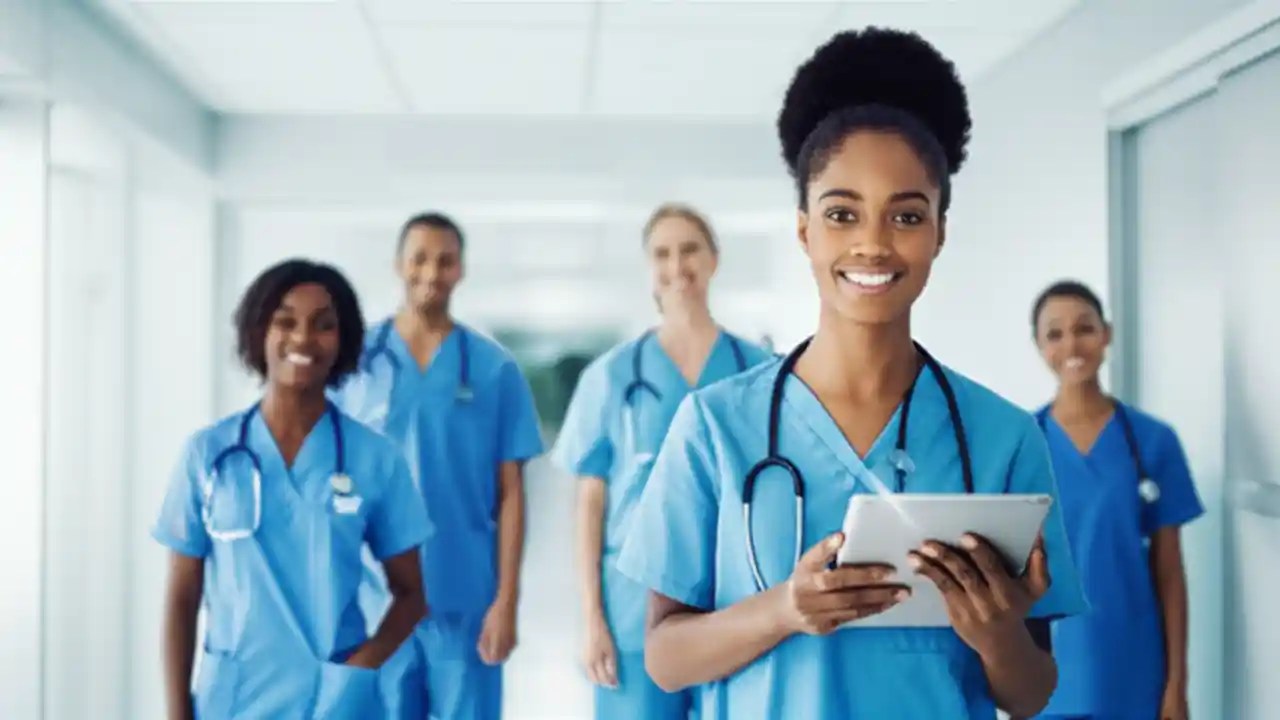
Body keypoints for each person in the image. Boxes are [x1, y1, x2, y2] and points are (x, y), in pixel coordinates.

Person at [614, 27, 1089, 719]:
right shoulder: (716, 425)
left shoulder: (1004, 438)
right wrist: (785, 608)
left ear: (939, 233)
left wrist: (995, 637)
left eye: (906, 215)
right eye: (842, 213)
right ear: (805, 230)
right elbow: (664, 659)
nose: (872, 242)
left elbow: (1031, 693)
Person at [154, 259, 428, 719]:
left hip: (332, 700)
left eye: (323, 325)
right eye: (285, 321)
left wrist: (360, 670)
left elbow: (411, 594)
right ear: (258, 330)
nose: (302, 338)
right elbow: (182, 597)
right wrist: (178, 713)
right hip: (235, 698)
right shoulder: (208, 455)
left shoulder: (375, 459)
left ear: (342, 342)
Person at [553, 204, 773, 719]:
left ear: (714, 259)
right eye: (663, 253)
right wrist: (593, 621)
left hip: (734, 600)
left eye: (690, 248)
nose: (678, 265)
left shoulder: (760, 373)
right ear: (649, 267)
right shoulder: (611, 376)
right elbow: (590, 505)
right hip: (634, 606)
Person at [333, 212, 544, 720]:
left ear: (461, 270)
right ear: (398, 265)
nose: (431, 271)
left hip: (465, 597)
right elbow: (328, 480)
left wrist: (507, 601)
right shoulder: (353, 364)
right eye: (419, 258)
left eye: (444, 260)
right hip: (374, 599)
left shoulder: (493, 368)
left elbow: (512, 492)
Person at [1030, 280, 1203, 720]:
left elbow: (1169, 574)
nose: (1072, 343)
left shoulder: (1152, 441)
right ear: (1039, 346)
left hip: (1134, 667)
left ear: (1106, 334)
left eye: (1084, 328)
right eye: (1055, 333)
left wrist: (1176, 687)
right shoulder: (1022, 445)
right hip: (1046, 673)